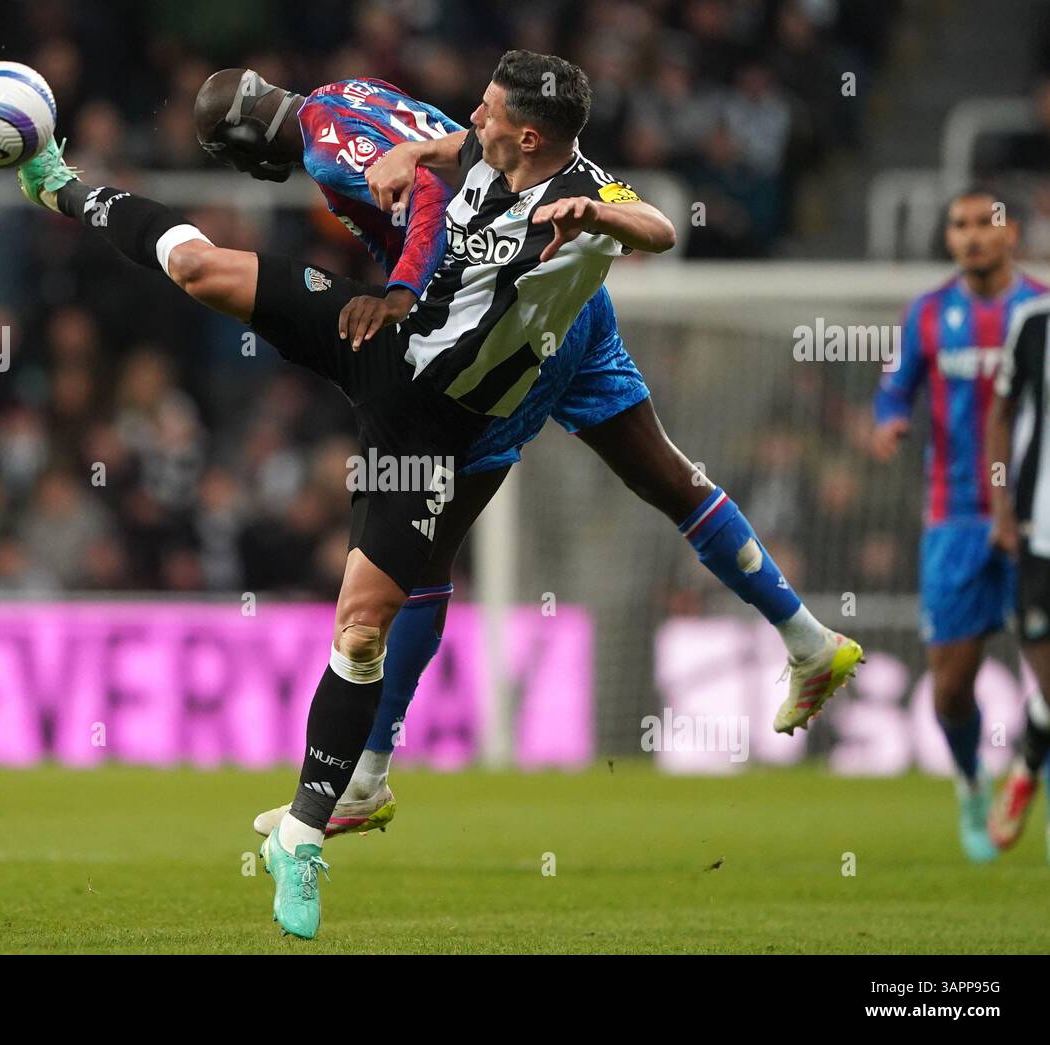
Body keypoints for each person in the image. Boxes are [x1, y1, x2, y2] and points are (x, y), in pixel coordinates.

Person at [15, 50, 857, 939]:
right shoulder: (469, 144)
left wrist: (525, 227)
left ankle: (319, 817)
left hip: (448, 405)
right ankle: (62, 184)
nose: (471, 118)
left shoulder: (504, 178)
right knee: (201, 270)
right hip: (394, 344)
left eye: (489, 110)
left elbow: (650, 224)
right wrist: (422, 180)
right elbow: (443, 162)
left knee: (371, 609)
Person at [191, 67, 864, 843]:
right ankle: (808, 638)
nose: (479, 114)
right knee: (664, 475)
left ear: (242, 143)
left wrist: (406, 292)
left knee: (422, 548)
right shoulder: (355, 90)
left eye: (226, 154)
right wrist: (423, 160)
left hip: (506, 325)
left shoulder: (328, 143)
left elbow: (481, 204)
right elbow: (457, 148)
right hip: (565, 300)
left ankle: (366, 775)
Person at [872, 187, 1047, 862]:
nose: (972, 236)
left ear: (1012, 233)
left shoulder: (1040, 312)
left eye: (985, 223)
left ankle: (1034, 789)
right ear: (949, 239)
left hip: (1036, 516)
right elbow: (894, 387)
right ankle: (973, 781)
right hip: (954, 516)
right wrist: (890, 418)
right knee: (949, 684)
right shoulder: (927, 314)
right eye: (960, 226)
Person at [986, 289, 1050, 860]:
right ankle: (1029, 765)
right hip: (1041, 533)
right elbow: (1001, 412)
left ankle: (1028, 769)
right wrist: (1003, 508)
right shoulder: (1034, 324)